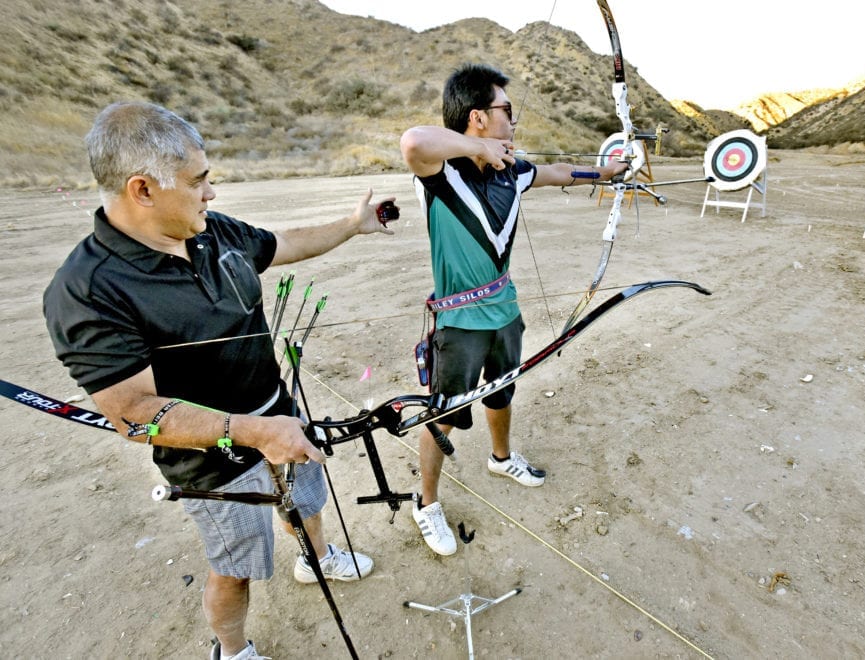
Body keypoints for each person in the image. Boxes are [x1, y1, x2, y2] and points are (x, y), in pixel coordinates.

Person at [43, 101, 397, 660]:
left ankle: (317, 559)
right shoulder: (87, 290)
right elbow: (134, 412)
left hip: (278, 416)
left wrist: (354, 225)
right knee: (235, 569)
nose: (211, 193)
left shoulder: (212, 231)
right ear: (142, 190)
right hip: (211, 462)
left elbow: (283, 244)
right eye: (198, 181)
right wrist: (252, 432)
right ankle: (233, 651)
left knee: (304, 502)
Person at [399, 64, 629, 556]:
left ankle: (501, 458)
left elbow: (559, 172)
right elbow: (414, 142)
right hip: (459, 321)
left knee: (502, 392)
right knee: (443, 414)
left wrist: (607, 172)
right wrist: (478, 148)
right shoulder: (441, 174)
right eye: (506, 110)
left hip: (504, 307)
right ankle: (427, 503)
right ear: (478, 117)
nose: (513, 121)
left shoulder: (513, 171)